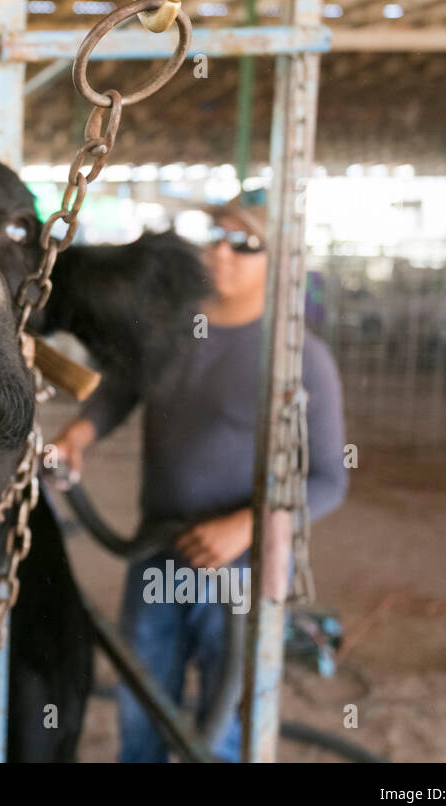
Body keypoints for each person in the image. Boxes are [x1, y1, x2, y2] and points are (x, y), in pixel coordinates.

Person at [52, 196, 348, 762]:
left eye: (243, 243)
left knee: (228, 721)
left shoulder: (299, 359)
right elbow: (119, 390)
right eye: (216, 235)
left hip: (241, 569)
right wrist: (79, 435)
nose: (221, 251)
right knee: (142, 706)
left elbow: (331, 479)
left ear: (280, 261)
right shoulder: (170, 332)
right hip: (158, 553)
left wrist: (247, 527)